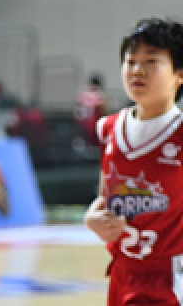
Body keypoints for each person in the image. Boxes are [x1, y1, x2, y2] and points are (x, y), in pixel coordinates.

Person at [84, 17, 183, 305]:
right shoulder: (108, 128)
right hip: (122, 272)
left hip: (171, 276)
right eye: (131, 61)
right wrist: (92, 219)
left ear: (179, 73)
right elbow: (104, 198)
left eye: (151, 62)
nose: (138, 70)